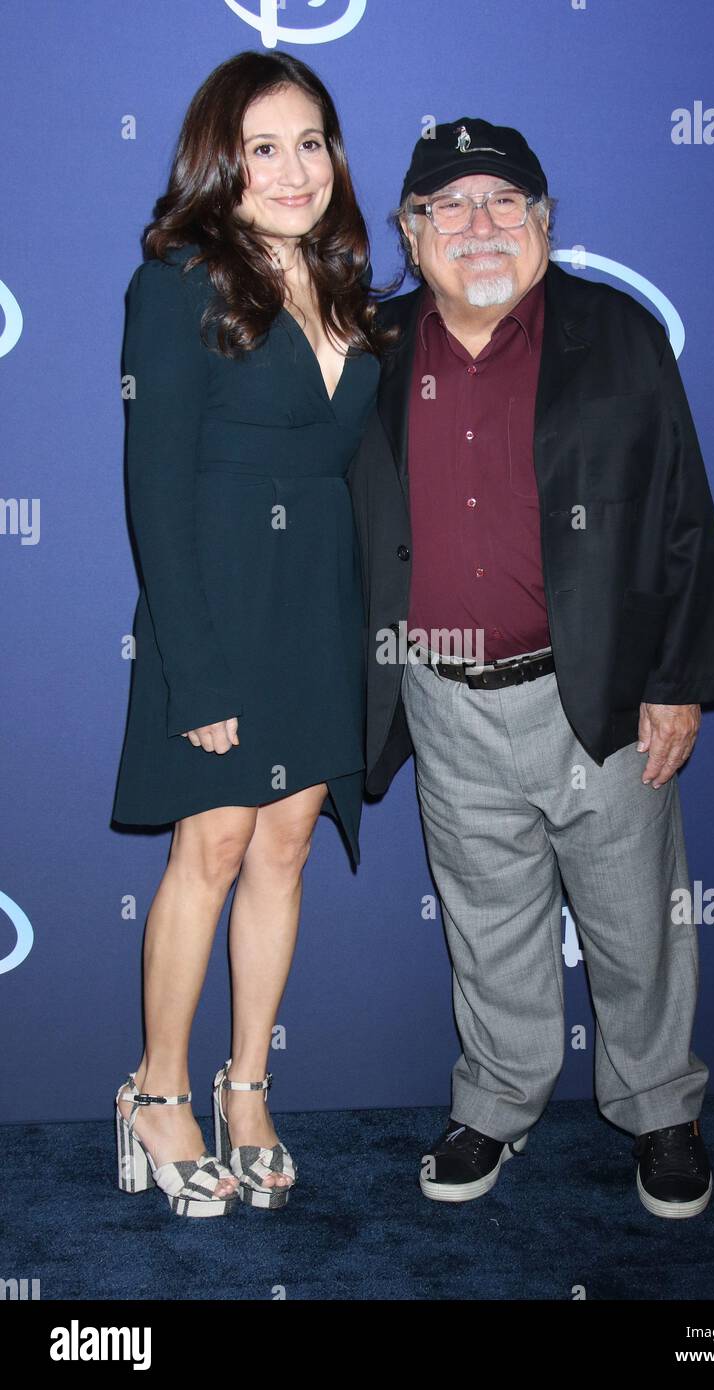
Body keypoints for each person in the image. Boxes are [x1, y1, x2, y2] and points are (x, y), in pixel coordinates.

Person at [348, 117, 714, 1216]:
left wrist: (675, 678)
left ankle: (661, 1109)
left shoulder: (614, 334)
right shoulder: (367, 349)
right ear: (411, 233)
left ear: (543, 225)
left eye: (503, 204)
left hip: (595, 687)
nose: (478, 226)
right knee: (486, 921)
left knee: (633, 921)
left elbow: (680, 516)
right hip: (439, 692)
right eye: (448, 207)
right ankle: (496, 1100)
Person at [111, 51, 392, 1217]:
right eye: (264, 147)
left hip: (318, 605)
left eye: (311, 142)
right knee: (212, 849)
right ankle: (155, 1094)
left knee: (283, 849)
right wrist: (197, 665)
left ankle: (247, 1086)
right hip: (219, 601)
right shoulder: (178, 281)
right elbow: (153, 489)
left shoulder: (352, 290)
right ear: (220, 164)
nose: (293, 168)